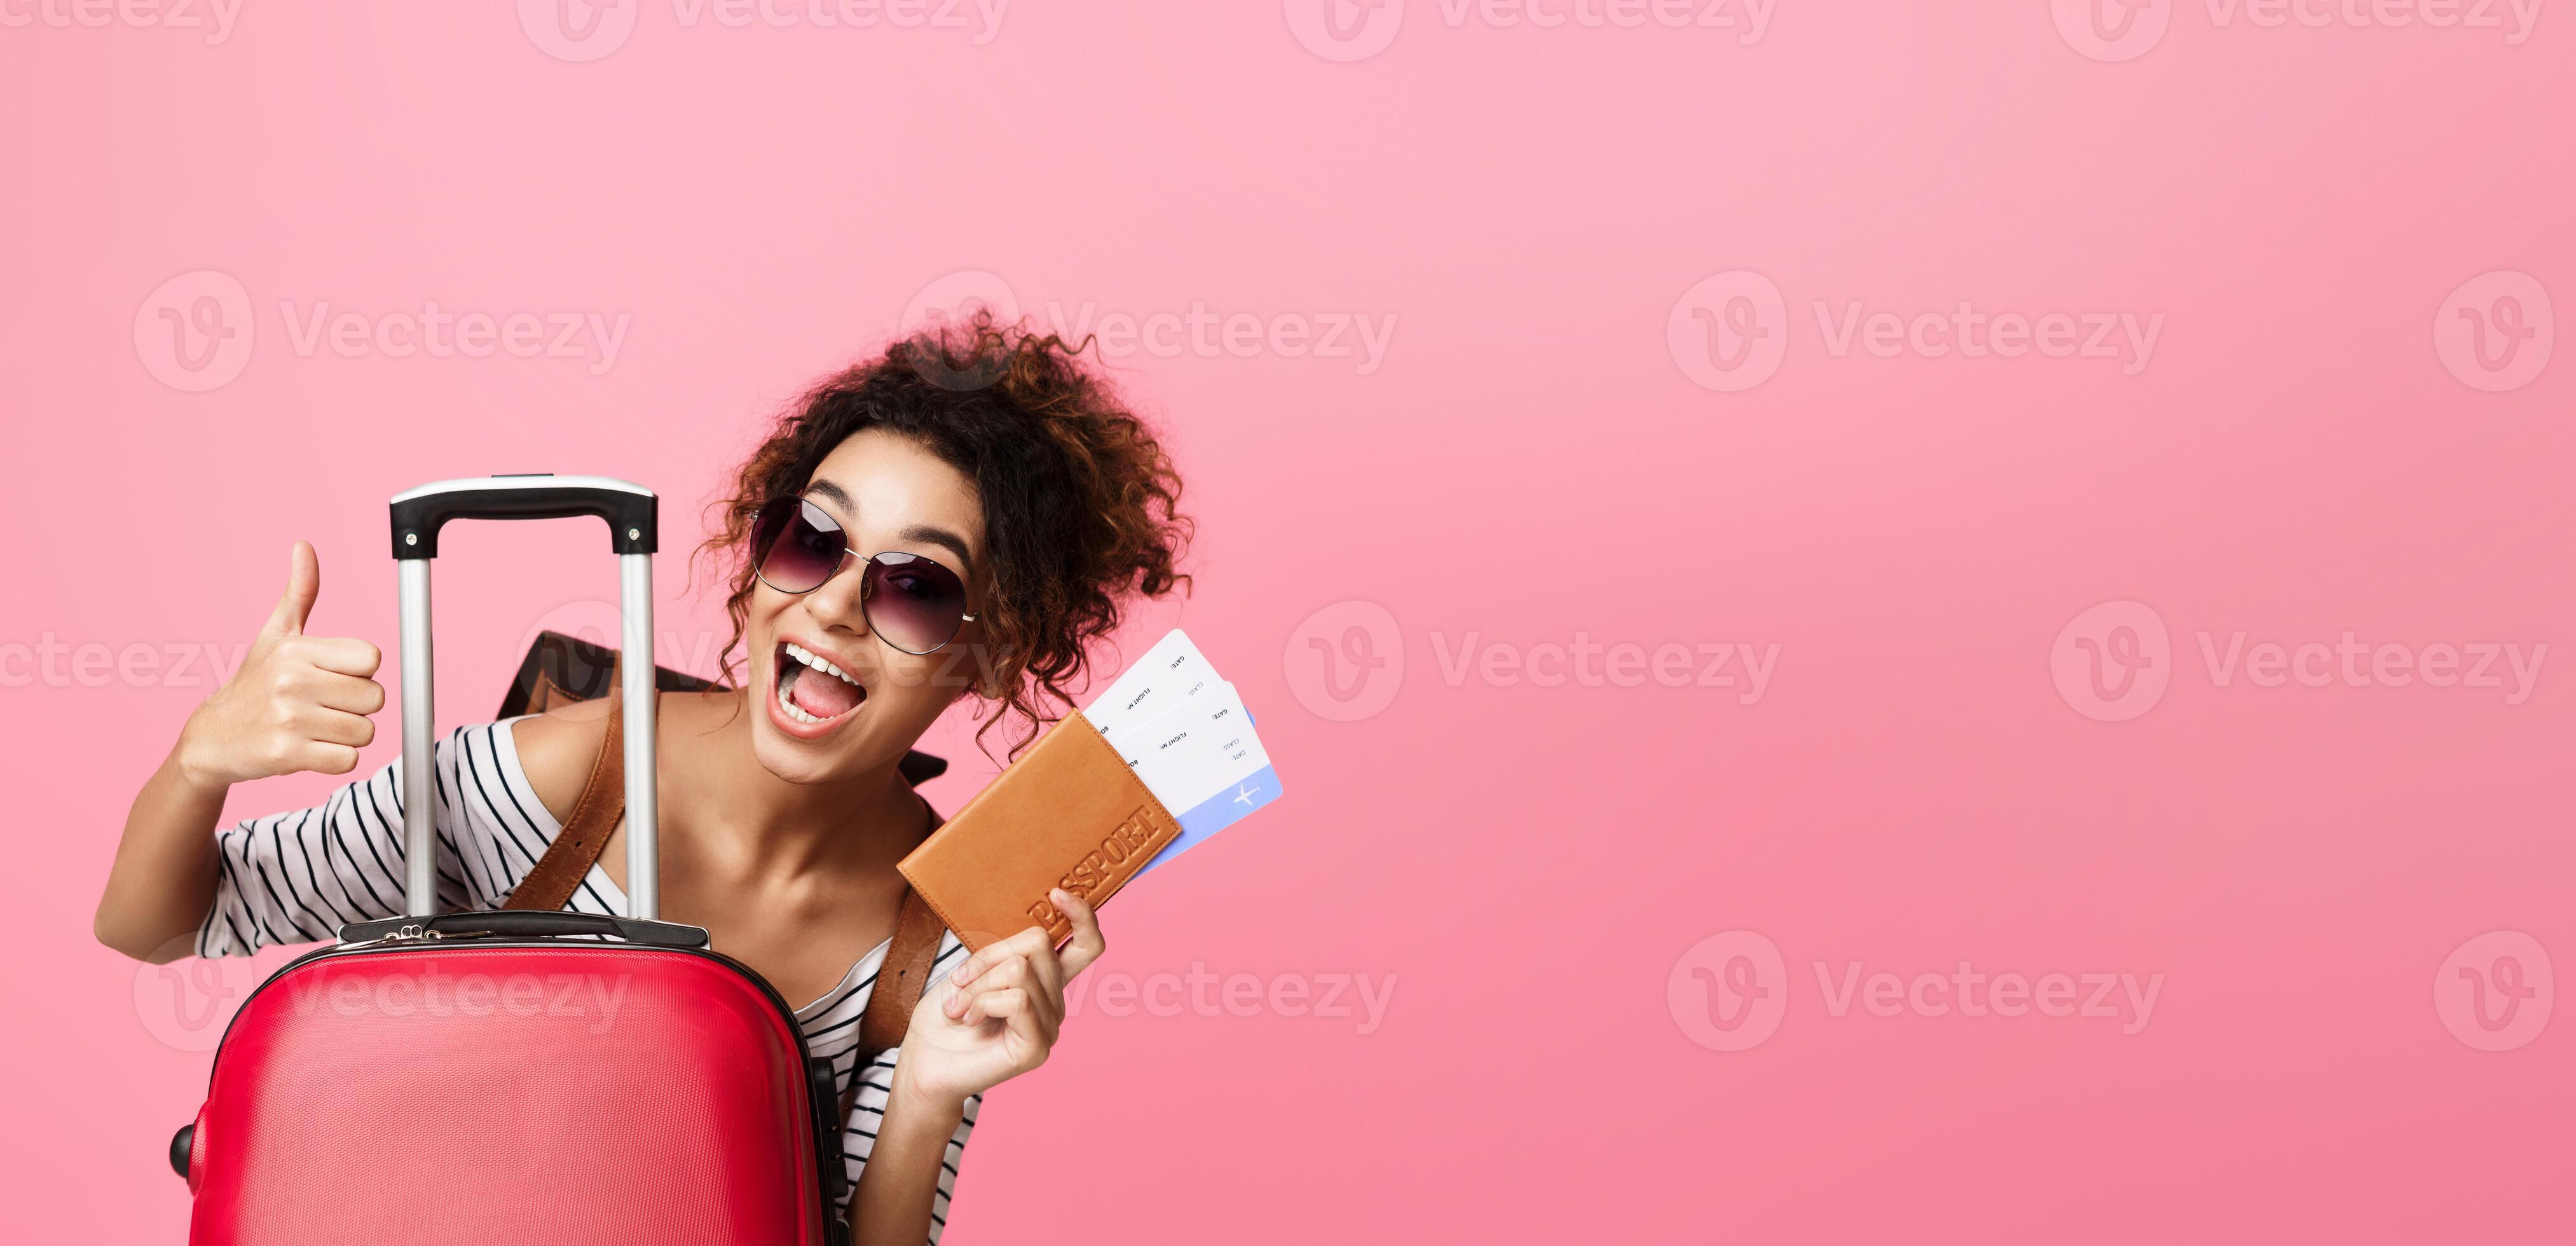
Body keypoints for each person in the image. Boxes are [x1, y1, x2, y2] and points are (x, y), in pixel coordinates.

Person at [94, 314, 1191, 1244]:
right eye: (811, 540)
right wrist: (202, 758)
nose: (833, 607)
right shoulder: (550, 781)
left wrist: (929, 1089)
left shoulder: (942, 934)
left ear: (992, 653)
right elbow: (156, 924)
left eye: (916, 589)